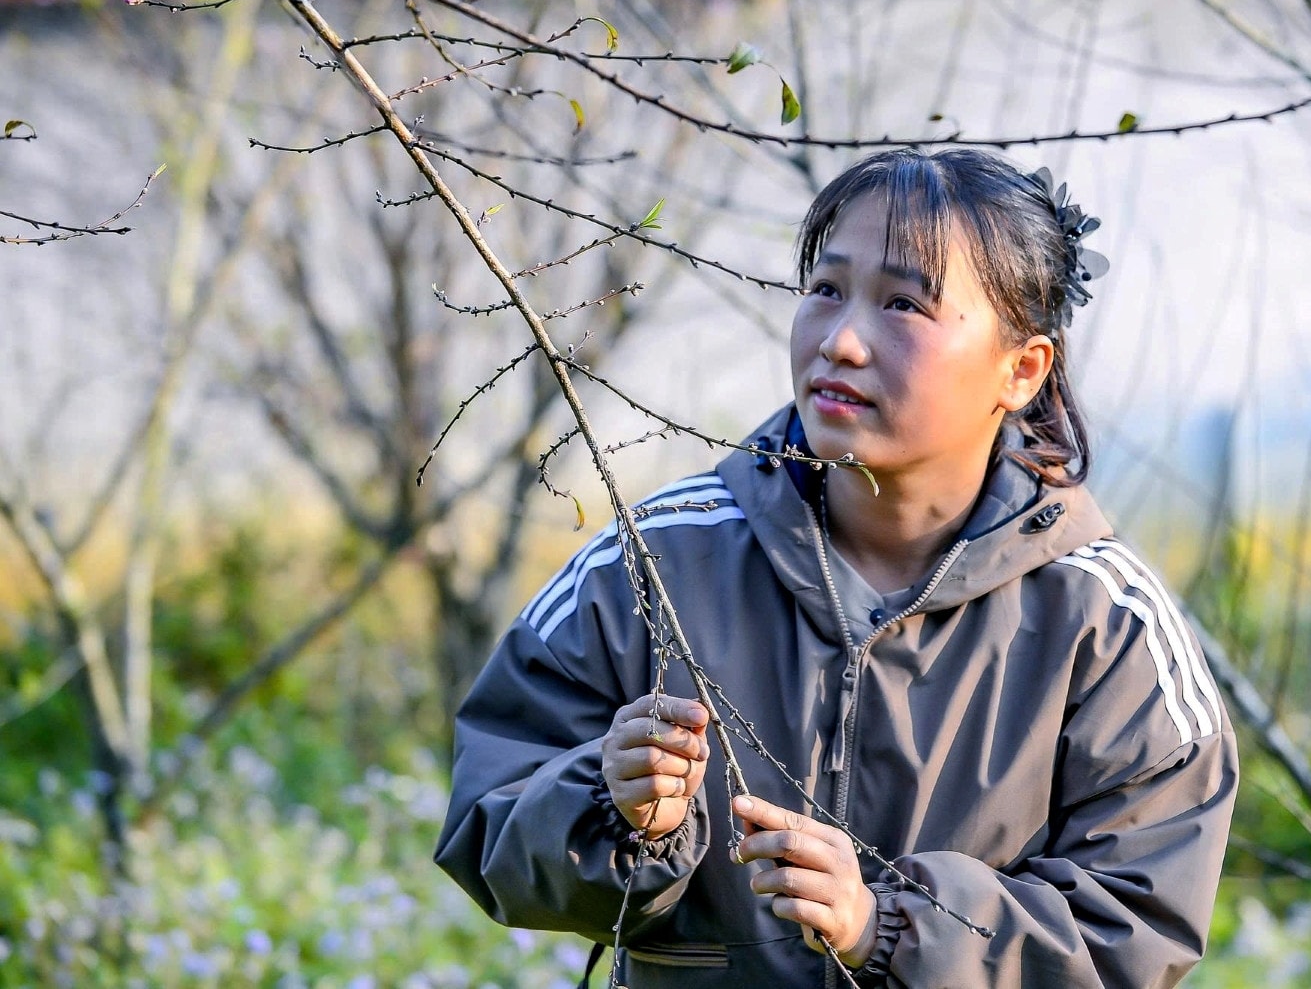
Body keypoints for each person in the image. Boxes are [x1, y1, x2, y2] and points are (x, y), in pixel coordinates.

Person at [434, 148, 1239, 987]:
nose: (842, 341)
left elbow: (1135, 930)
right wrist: (613, 809)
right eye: (826, 289)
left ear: (1021, 369)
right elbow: (489, 817)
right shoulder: (656, 562)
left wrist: (887, 927)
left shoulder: (1108, 626)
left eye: (903, 304)